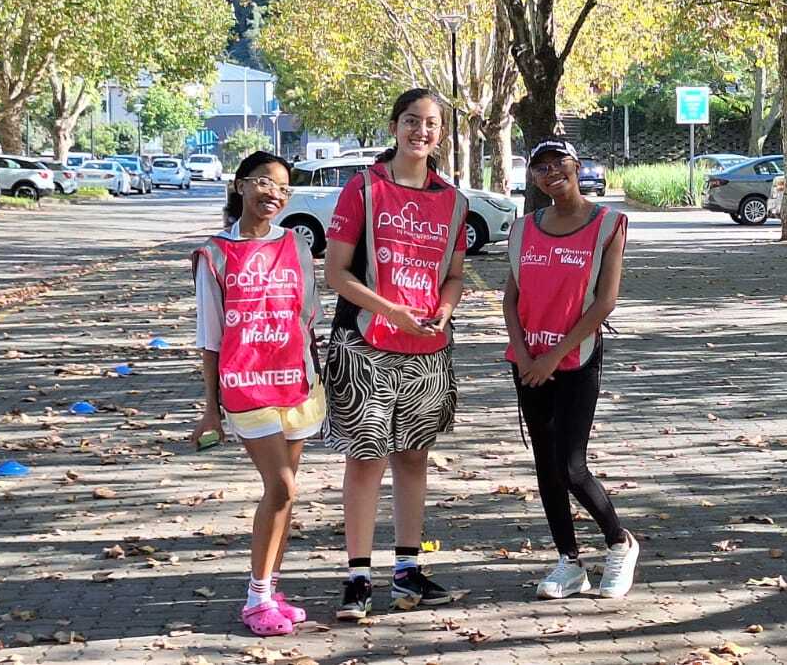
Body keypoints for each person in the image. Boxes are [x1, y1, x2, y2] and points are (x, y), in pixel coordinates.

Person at [321, 89, 469, 620]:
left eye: (431, 124)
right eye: (411, 121)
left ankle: (408, 573)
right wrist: (391, 310)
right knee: (366, 460)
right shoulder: (361, 189)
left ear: (441, 134)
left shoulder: (453, 201)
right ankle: (357, 578)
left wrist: (445, 309)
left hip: (426, 348)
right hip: (364, 345)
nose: (421, 132)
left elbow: (452, 275)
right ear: (394, 125)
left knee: (413, 457)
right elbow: (335, 273)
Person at [191, 151, 326, 636]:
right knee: (281, 487)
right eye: (264, 183)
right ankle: (255, 599)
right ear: (241, 186)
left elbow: (306, 318)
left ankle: (271, 591)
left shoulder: (296, 245)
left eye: (283, 189)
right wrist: (210, 409)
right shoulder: (215, 254)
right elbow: (210, 337)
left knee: (286, 495)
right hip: (245, 387)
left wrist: (318, 378)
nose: (273, 194)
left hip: (296, 383)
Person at [502, 139, 639, 600]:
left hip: (575, 358)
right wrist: (524, 355)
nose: (548, 172)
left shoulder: (608, 224)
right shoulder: (523, 228)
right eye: (538, 167)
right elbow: (511, 297)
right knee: (545, 466)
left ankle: (619, 543)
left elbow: (605, 302)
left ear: (577, 166)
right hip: (528, 362)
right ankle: (568, 561)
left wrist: (552, 357)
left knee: (571, 465)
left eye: (557, 163)